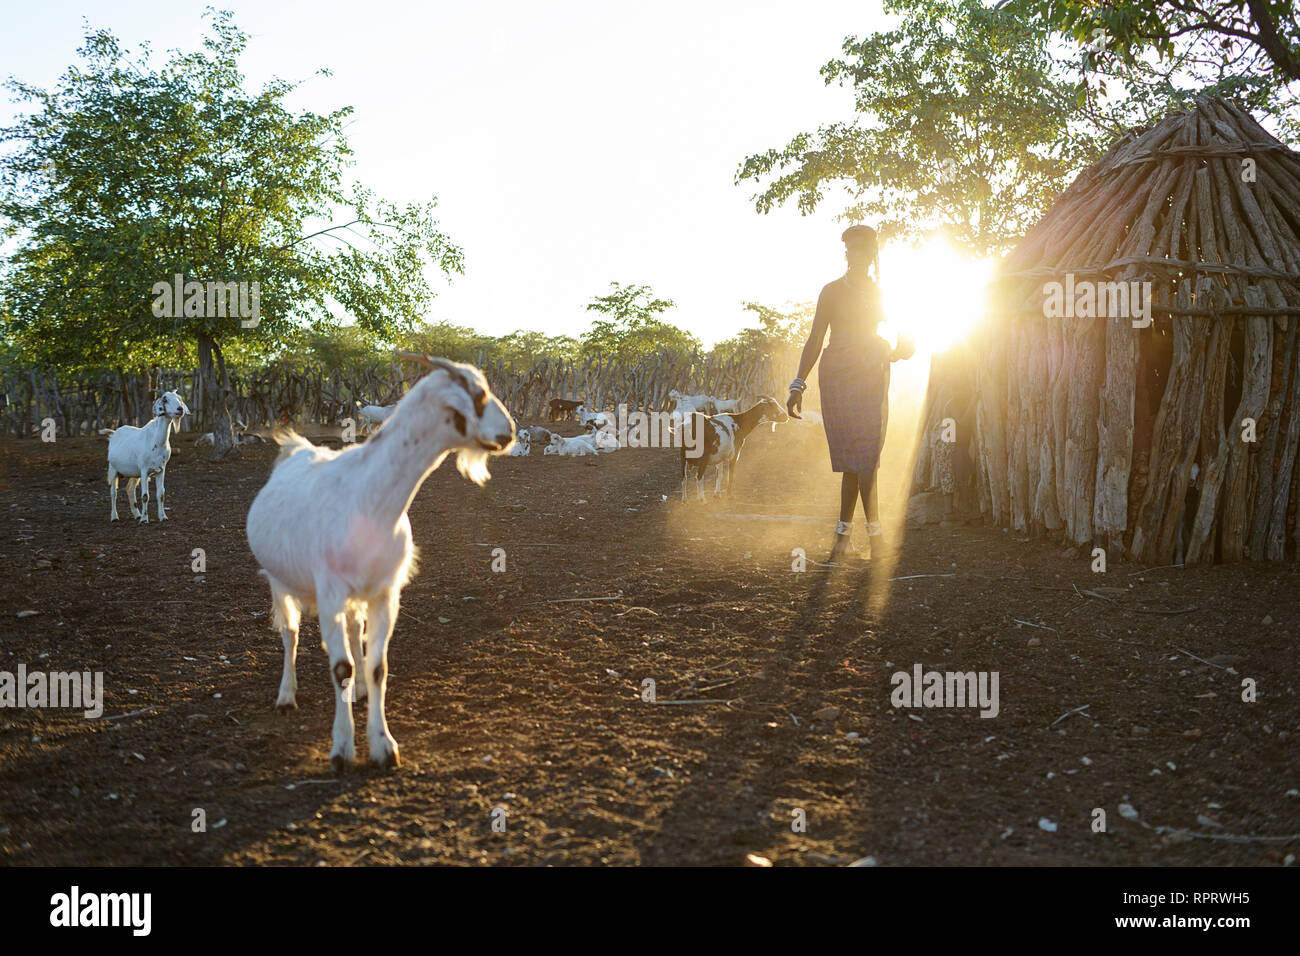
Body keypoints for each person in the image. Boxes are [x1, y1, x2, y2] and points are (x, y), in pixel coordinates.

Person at [787, 225, 914, 562]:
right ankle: (869, 538)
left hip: (872, 372)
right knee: (854, 460)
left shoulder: (882, 292)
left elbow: (907, 341)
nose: (858, 256)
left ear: (873, 255)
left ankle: (847, 538)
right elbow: (815, 339)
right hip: (840, 374)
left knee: (866, 456)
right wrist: (798, 383)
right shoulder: (831, 292)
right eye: (852, 250)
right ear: (846, 254)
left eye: (865, 250)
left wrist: (899, 347)